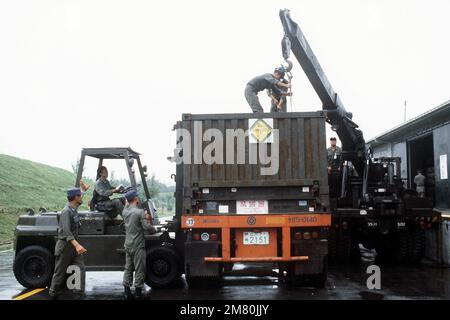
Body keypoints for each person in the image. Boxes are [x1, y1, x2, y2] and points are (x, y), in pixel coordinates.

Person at [49, 187, 87, 299]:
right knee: (60, 272)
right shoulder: (66, 211)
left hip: (73, 246)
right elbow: (66, 231)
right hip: (65, 246)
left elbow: (79, 199)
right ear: (75, 197)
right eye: (80, 195)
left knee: (80, 269)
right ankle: (53, 293)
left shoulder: (73, 209)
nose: (81, 197)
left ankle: (78, 293)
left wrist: (83, 191)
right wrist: (77, 245)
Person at [122, 190, 152, 300]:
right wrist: (154, 229)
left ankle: (126, 292)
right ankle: (138, 293)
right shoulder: (139, 212)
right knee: (140, 269)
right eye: (137, 197)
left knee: (128, 268)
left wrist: (127, 201)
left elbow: (126, 206)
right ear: (135, 199)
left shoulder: (125, 211)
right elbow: (146, 227)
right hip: (138, 245)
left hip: (128, 244)